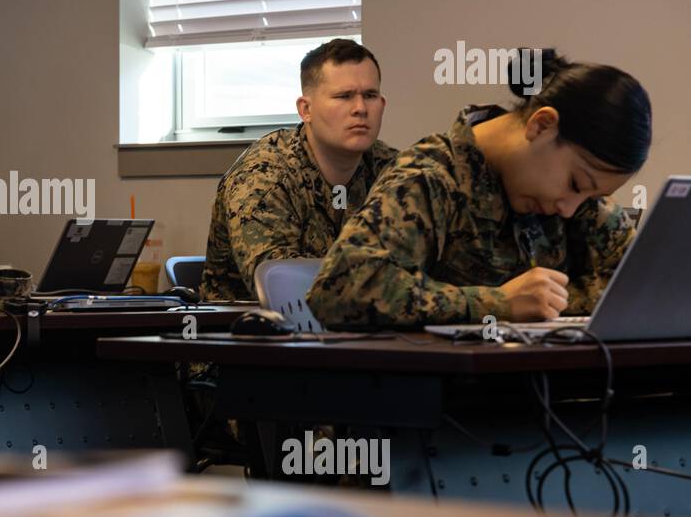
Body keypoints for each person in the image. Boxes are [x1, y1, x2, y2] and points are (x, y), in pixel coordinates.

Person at [307, 51, 650, 329]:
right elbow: (341, 289)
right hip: (448, 402)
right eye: (575, 185)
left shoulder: (573, 195)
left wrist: (550, 300)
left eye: (588, 197)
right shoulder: (431, 178)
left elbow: (643, 286)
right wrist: (499, 303)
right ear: (542, 125)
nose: (569, 208)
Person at [201, 39, 397, 301]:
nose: (360, 108)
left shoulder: (390, 169)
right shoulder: (264, 175)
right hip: (247, 332)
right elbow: (284, 288)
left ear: (382, 105)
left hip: (363, 330)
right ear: (306, 109)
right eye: (344, 96)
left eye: (370, 96)